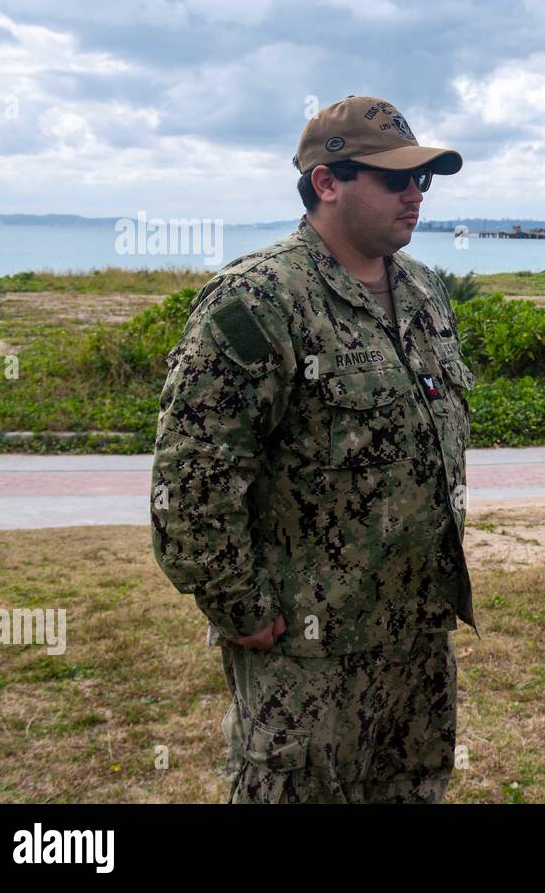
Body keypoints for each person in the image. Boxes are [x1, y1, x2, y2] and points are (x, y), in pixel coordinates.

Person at [150, 95, 476, 803]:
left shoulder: (424, 293)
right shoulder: (259, 300)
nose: (415, 194)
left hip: (415, 642)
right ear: (327, 182)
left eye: (424, 180)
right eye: (395, 179)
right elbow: (192, 485)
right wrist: (244, 611)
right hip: (305, 657)